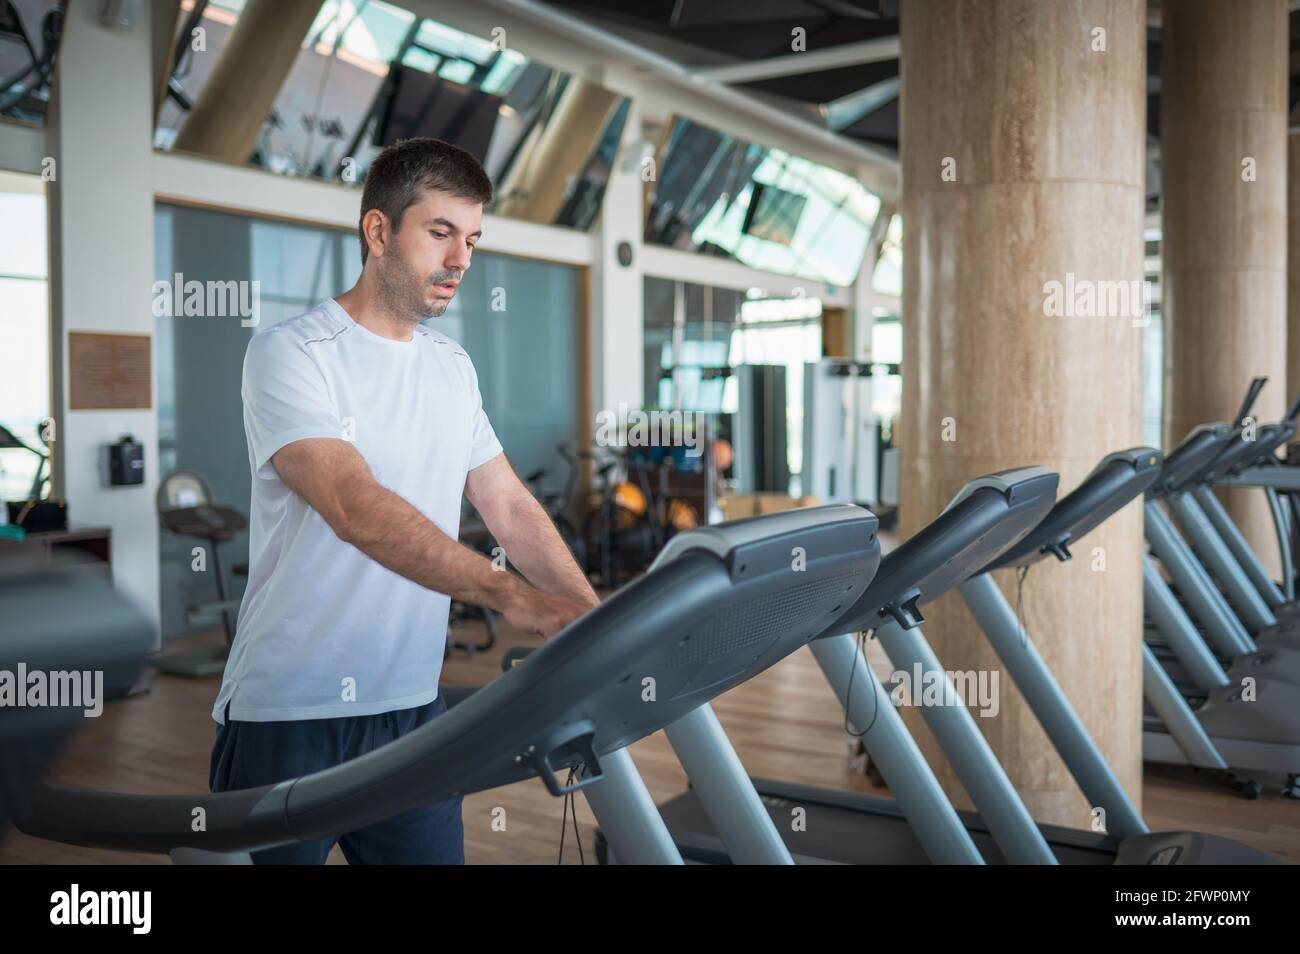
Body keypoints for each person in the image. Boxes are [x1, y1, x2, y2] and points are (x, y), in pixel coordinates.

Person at [209, 137, 597, 864]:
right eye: (441, 233)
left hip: (413, 715)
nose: (461, 261)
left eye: (473, 240)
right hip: (289, 715)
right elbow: (353, 504)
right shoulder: (292, 353)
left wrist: (593, 620)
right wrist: (507, 596)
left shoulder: (451, 366)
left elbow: (507, 503)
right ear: (379, 231)